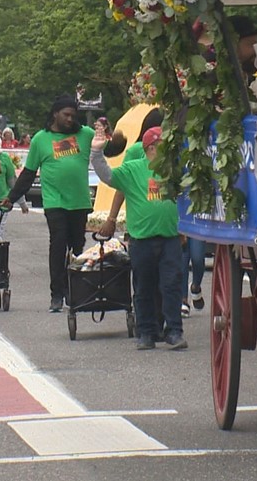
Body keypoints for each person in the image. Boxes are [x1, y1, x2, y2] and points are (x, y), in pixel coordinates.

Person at [91, 125, 186, 350]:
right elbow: (107, 175)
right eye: (165, 144)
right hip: (142, 240)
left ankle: (174, 331)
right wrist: (96, 153)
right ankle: (146, 333)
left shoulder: (175, 169)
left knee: (172, 285)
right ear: (151, 147)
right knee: (143, 286)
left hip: (170, 238)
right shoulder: (133, 170)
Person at [2, 96, 95, 312]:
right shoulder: (41, 139)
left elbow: (108, 150)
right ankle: (57, 294)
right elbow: (28, 173)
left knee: (78, 246)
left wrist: (115, 138)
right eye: (66, 115)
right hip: (54, 201)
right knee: (58, 243)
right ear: (55, 114)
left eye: (73, 115)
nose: (71, 119)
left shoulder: (86, 134)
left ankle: (74, 290)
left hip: (79, 201)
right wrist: (12, 197)